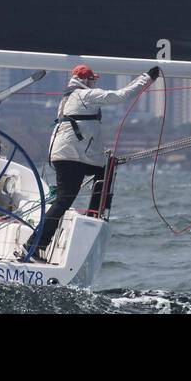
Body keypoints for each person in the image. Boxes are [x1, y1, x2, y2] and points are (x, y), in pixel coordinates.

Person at [26, 64, 159, 260]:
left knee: (103, 171)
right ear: (86, 80)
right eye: (93, 80)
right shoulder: (84, 95)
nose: (95, 83)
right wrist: (146, 78)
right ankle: (35, 243)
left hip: (70, 155)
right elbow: (120, 96)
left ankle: (93, 215)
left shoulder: (69, 96)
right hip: (72, 156)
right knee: (64, 200)